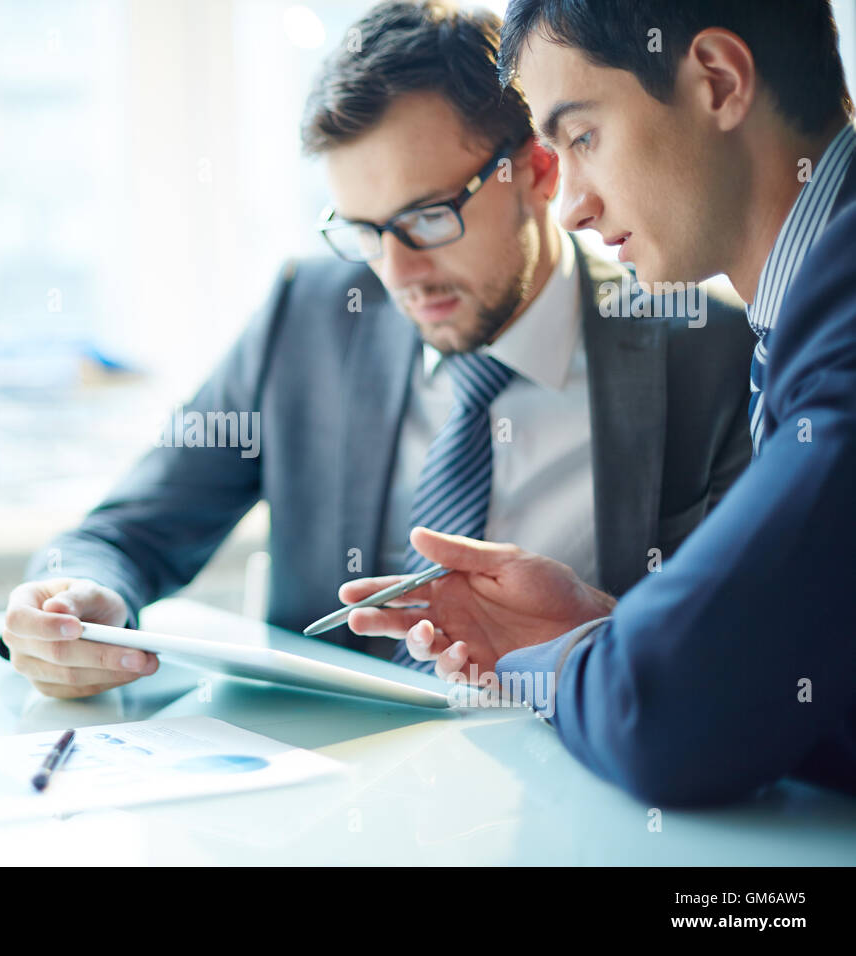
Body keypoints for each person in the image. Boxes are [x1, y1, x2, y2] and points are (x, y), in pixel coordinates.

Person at [0, 1, 753, 700]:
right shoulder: (309, 317)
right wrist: (73, 601)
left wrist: (596, 633)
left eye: (427, 219)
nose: (398, 275)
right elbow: (125, 531)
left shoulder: (706, 351)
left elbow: (741, 645)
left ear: (537, 171)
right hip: (335, 791)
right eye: (364, 232)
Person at [343, 0, 856, 805]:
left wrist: (572, 662)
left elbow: (670, 716)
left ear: (719, 82)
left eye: (582, 136)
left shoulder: (842, 318)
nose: (571, 204)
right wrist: (607, 635)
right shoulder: (805, 311)